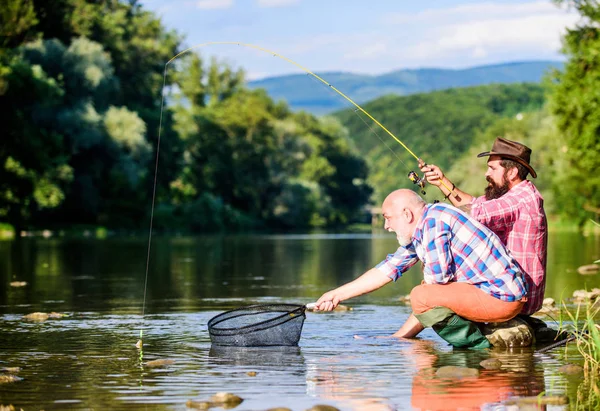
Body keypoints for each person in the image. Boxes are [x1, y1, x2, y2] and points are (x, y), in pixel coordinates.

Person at [315, 189, 528, 349]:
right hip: (497, 294)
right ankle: (477, 338)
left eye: (388, 218)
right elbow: (387, 269)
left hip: (502, 298)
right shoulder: (425, 225)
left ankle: (478, 346)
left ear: (407, 215)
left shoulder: (434, 223)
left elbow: (433, 287)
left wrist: (399, 337)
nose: (386, 226)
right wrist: (336, 294)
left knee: (421, 293)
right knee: (424, 293)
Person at [418, 137, 548, 336]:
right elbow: (475, 204)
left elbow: (475, 213)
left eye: (492, 168)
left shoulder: (519, 200)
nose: (487, 174)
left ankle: (472, 342)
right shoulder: (519, 194)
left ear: (511, 172)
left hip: (514, 297)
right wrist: (442, 182)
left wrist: (434, 214)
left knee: (429, 291)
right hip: (513, 291)